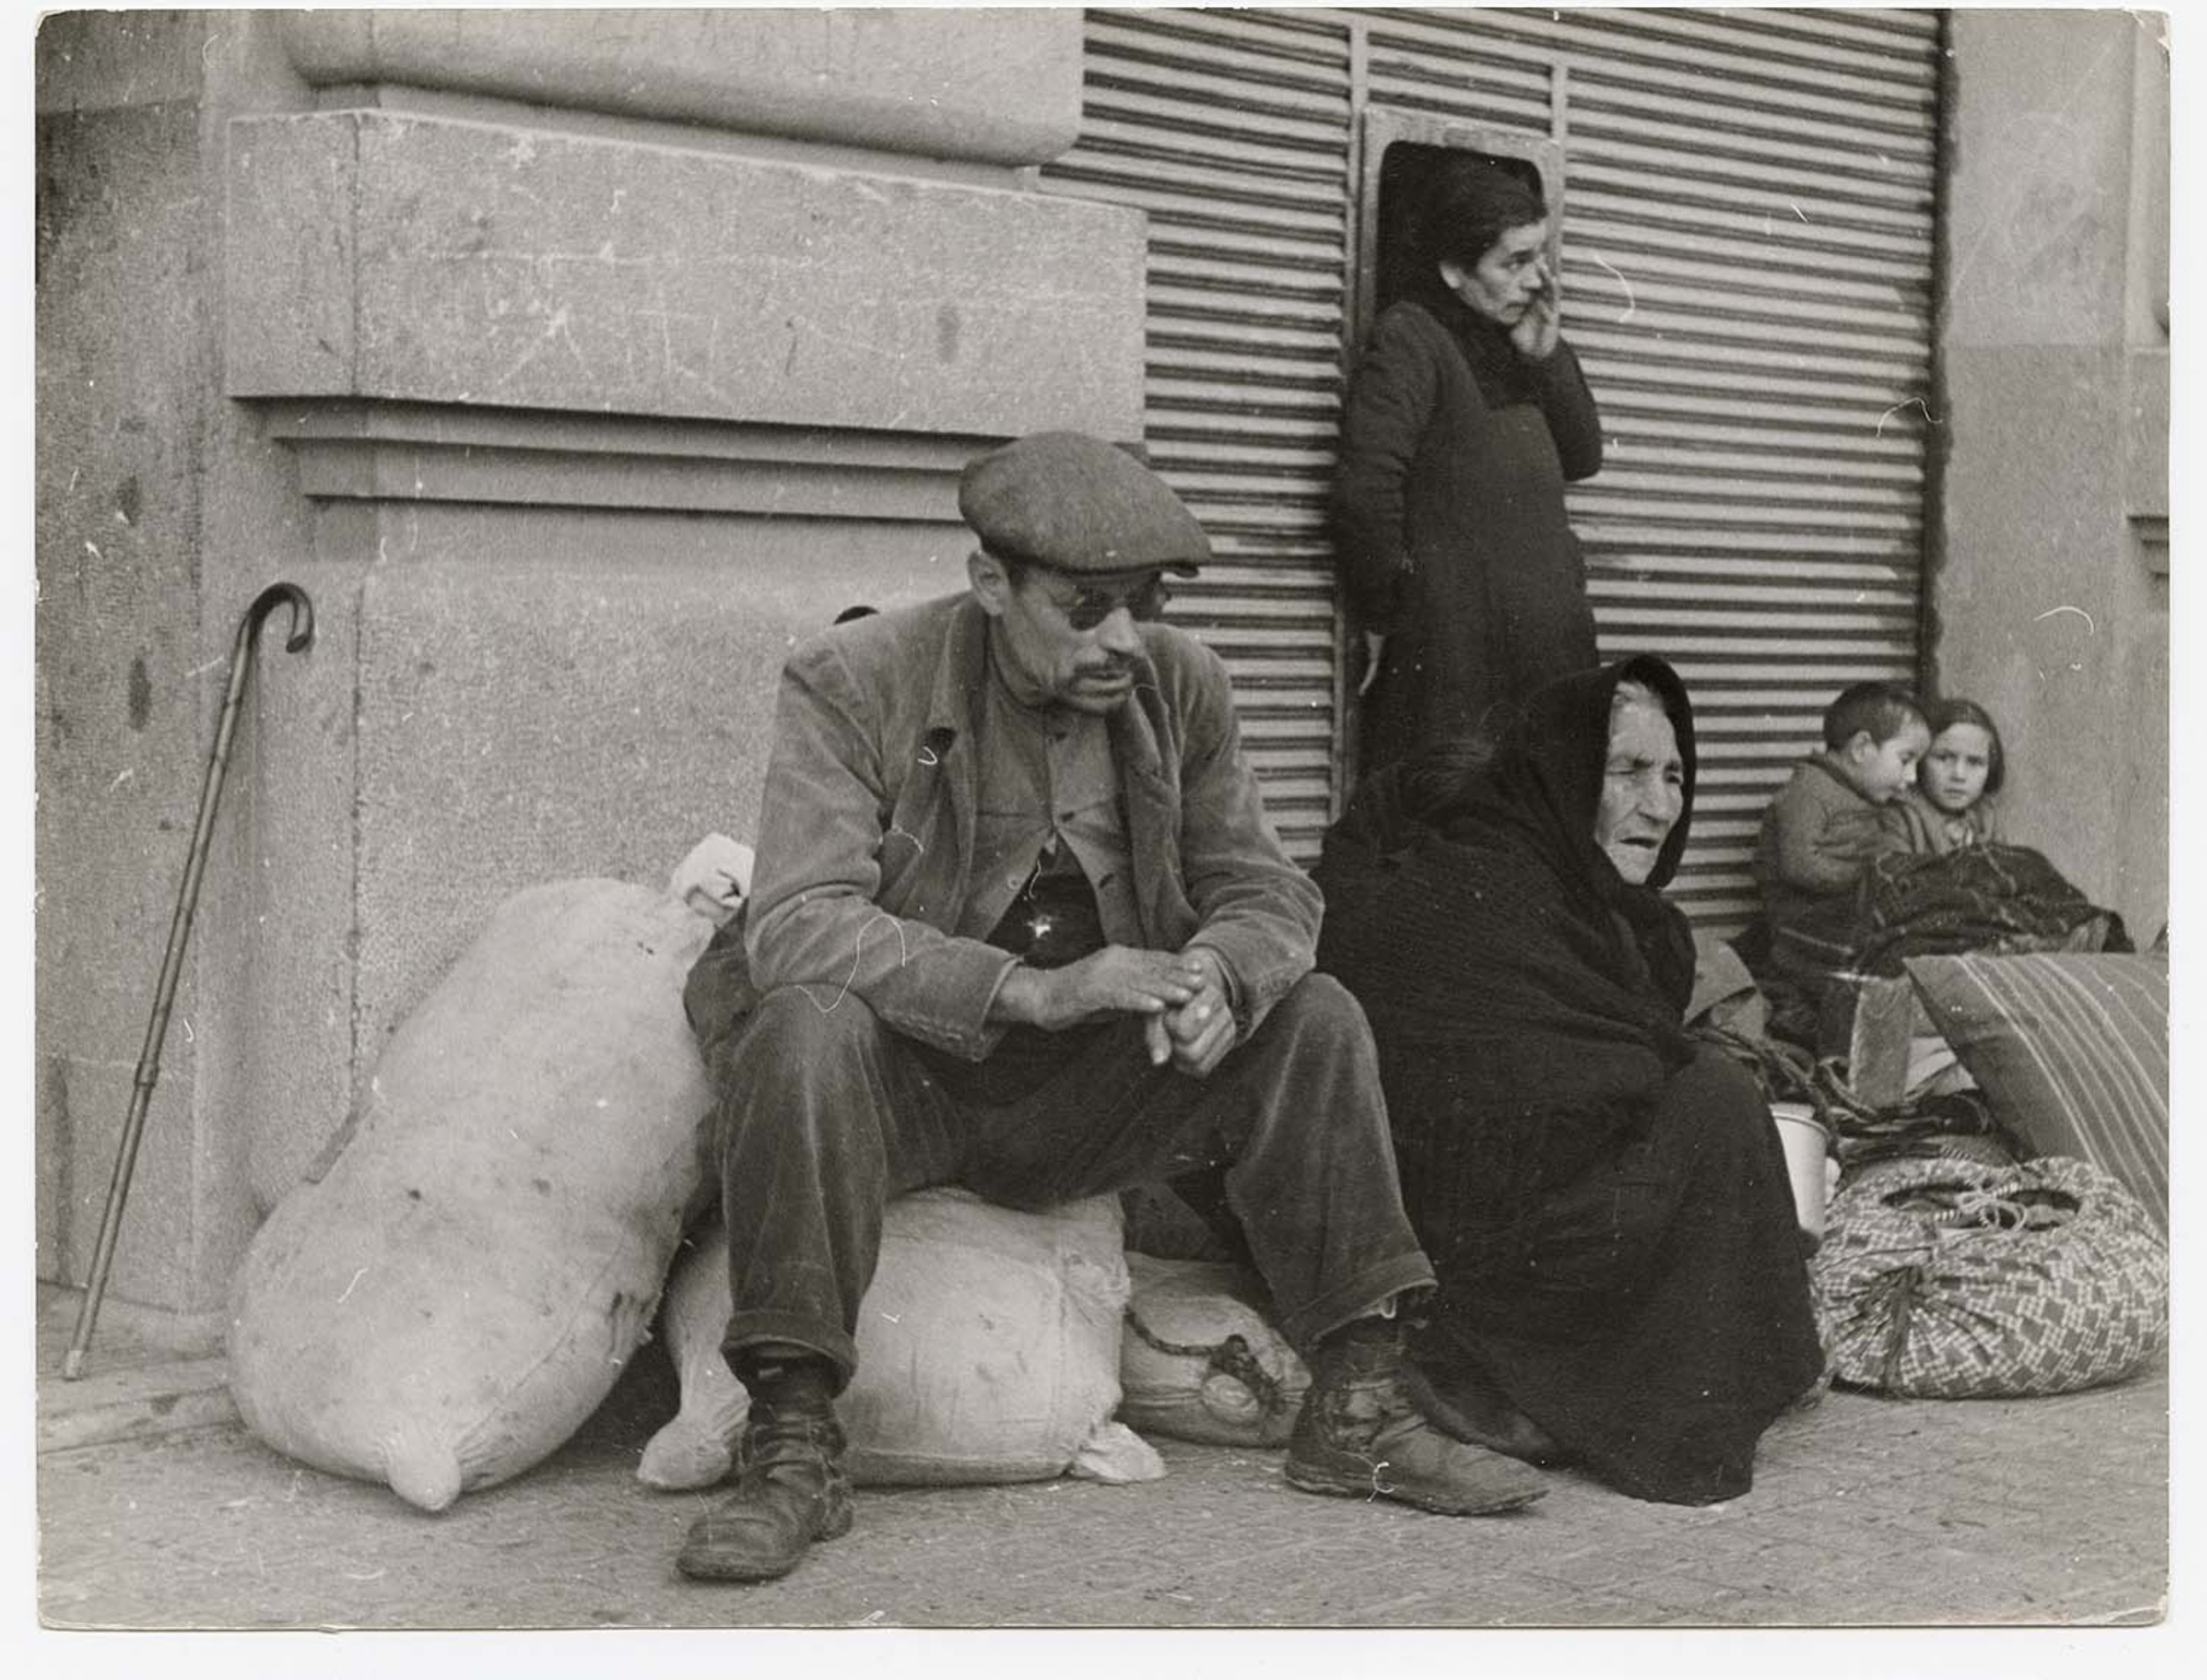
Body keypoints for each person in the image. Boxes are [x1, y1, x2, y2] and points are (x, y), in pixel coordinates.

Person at [675, 431, 1546, 1586]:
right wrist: (1031, 989)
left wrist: (1223, 978)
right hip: (909, 1080)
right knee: (802, 1026)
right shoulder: (856, 681)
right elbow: (798, 921)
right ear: (991, 585)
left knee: (1314, 1016)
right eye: (1088, 608)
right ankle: (791, 1447)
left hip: (1093, 1091)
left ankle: (1359, 1409)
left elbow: (1267, 887)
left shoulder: (1181, 686)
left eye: (1144, 603)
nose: (1124, 640)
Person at [1314, 656, 1824, 1505]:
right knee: (1717, 1102)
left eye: (1673, 777)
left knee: (1712, 1101)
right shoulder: (1477, 885)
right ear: (1560, 773)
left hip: (1533, 1217)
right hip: (1456, 1255)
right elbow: (1516, 1100)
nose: (1661, 806)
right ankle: (1575, 1396)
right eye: (1626, 772)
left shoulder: (1617, 913)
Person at [1331, 153, 1604, 776]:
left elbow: (1584, 456)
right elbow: (1366, 491)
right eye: (1514, 262)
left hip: (1547, 651)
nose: (1539, 279)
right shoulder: (1412, 337)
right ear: (1454, 271)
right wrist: (1384, 614)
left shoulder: (1522, 336)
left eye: (1541, 255)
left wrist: (1547, 356)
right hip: (1458, 656)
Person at [1751, 681, 1930, 1011]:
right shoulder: (1808, 791)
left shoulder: (1868, 798)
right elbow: (1800, 866)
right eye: (1905, 760)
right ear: (1862, 748)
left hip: (1848, 915)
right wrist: (1869, 876)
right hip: (1802, 925)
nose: (1913, 777)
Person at [1882, 697, 2004, 855]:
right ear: (1920, 761)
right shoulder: (1897, 818)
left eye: (1974, 762)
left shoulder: (1986, 819)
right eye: (1944, 758)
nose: (1959, 775)